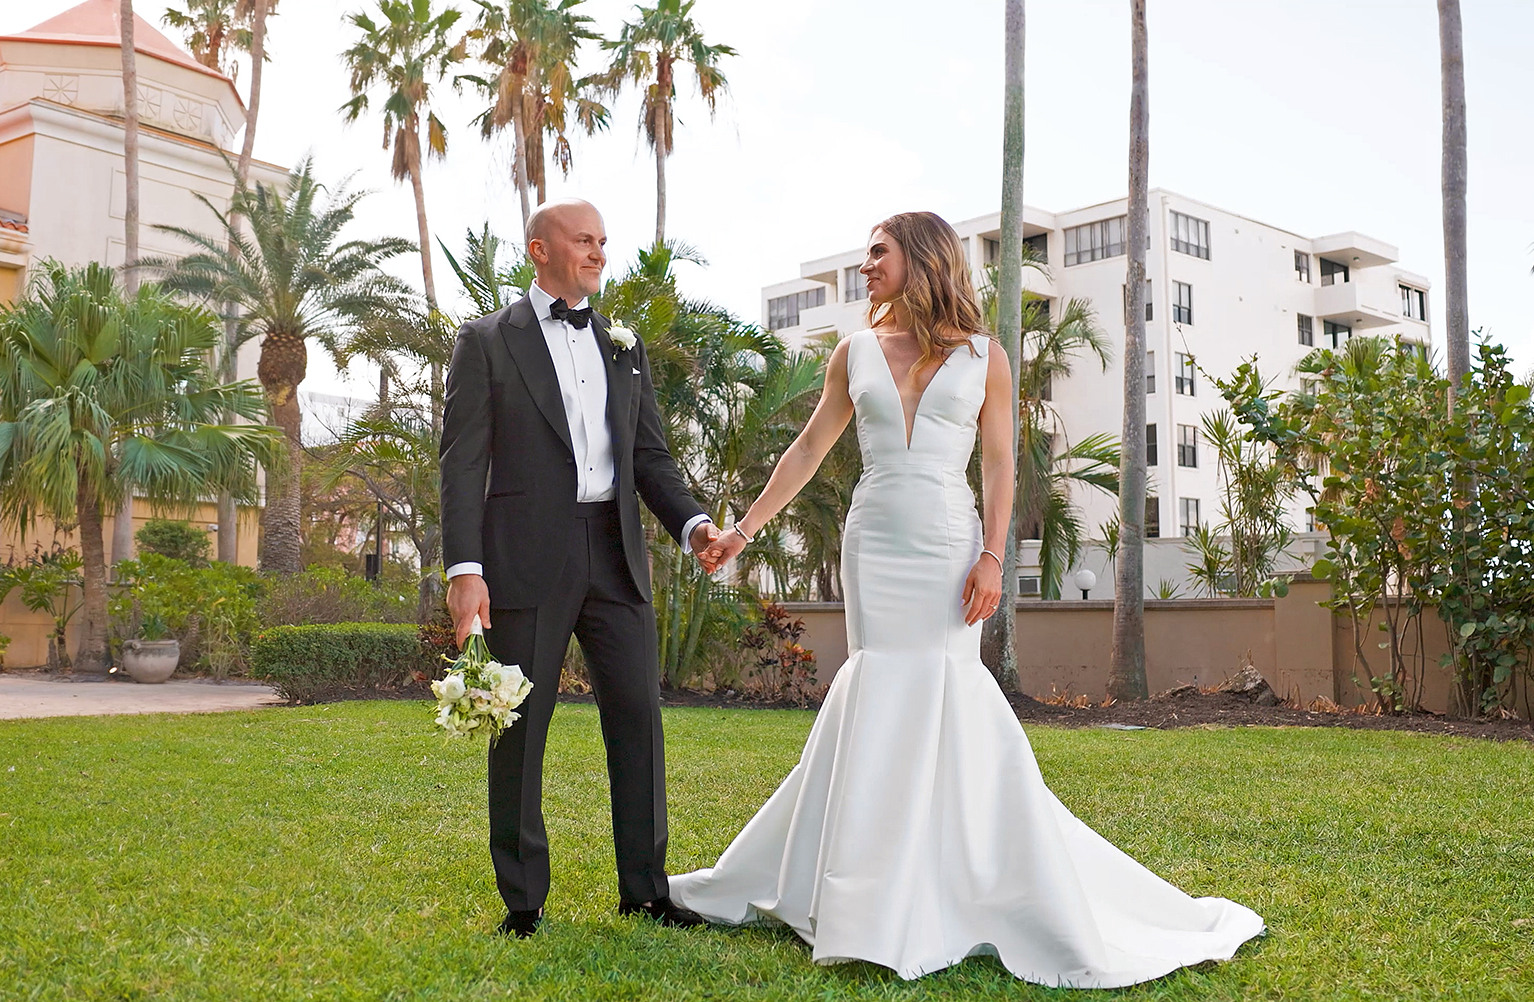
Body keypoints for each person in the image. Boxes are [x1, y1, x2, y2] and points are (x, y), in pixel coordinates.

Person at [679, 211, 1265, 988]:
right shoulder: (853, 354)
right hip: (876, 541)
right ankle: (862, 897)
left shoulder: (986, 357)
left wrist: (995, 555)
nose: (866, 268)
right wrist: (746, 532)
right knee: (881, 682)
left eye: (877, 254)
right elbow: (810, 449)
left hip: (950, 544)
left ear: (920, 258)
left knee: (944, 687)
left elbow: (999, 468)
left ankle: (956, 883)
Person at [440, 197, 721, 940]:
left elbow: (650, 456)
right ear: (540, 250)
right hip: (526, 554)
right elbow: (462, 462)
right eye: (583, 239)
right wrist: (464, 568)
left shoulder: (623, 346)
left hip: (616, 550)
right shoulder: (487, 342)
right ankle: (524, 902)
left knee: (638, 718)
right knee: (521, 727)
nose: (598, 251)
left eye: (603, 240)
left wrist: (693, 526)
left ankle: (647, 891)